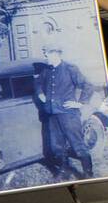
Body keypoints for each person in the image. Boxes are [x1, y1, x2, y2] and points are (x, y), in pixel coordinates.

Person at [35, 44, 93, 181]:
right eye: (44, 53)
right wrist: (40, 94)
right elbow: (37, 83)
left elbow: (87, 85)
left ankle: (88, 173)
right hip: (52, 115)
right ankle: (64, 170)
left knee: (77, 144)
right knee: (57, 146)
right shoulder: (46, 71)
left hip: (69, 115)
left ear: (56, 53)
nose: (45, 56)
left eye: (47, 53)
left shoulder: (70, 69)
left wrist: (79, 103)